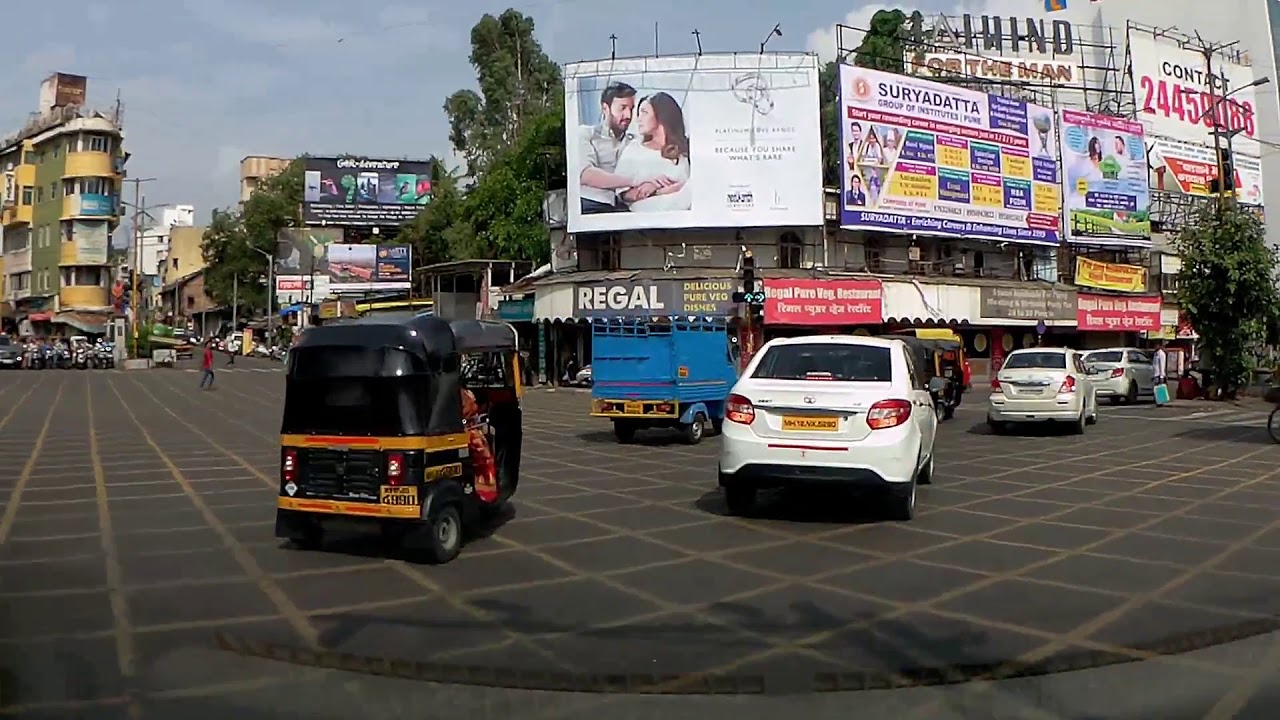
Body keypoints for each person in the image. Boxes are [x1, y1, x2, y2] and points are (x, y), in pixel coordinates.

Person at [613, 92, 691, 212]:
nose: (639, 120)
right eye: (639, 114)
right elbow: (624, 194)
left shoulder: (684, 150)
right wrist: (657, 191)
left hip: (684, 212)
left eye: (644, 113)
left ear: (662, 115)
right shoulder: (634, 149)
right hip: (649, 212)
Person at [576, 81, 638, 214]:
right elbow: (586, 175)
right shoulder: (586, 134)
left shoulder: (633, 142)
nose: (628, 116)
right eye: (622, 108)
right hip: (591, 204)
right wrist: (634, 179)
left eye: (631, 109)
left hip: (623, 206)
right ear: (605, 108)